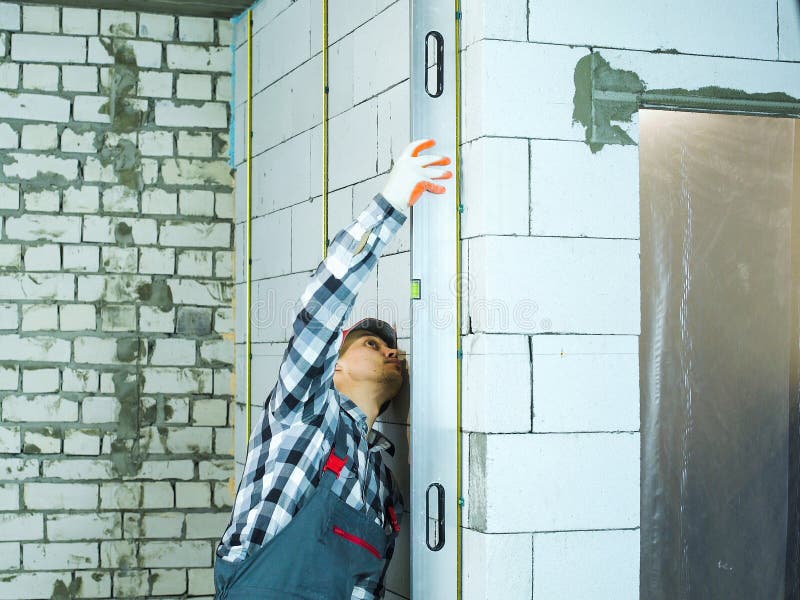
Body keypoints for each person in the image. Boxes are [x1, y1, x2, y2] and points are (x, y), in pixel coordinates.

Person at [214, 139, 453, 599]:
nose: (390, 352)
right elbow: (318, 311)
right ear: (334, 366)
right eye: (371, 343)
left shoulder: (385, 489)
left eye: (392, 348)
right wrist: (393, 202)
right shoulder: (304, 413)